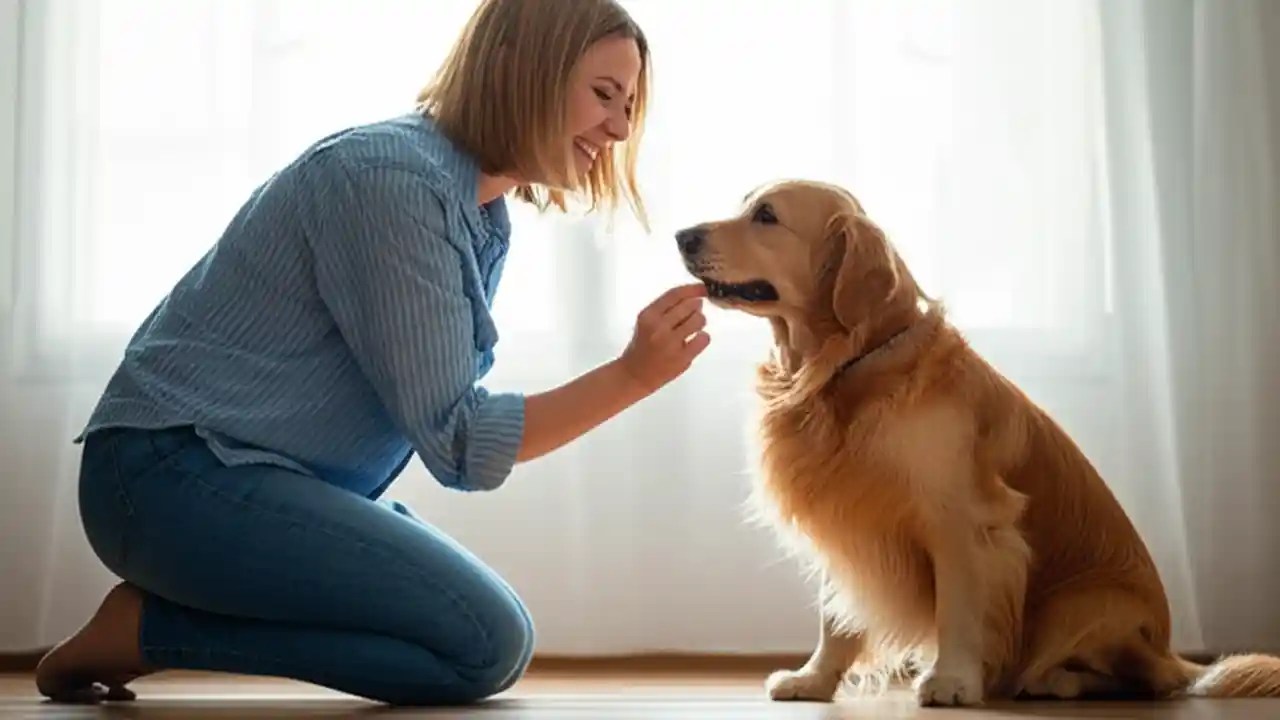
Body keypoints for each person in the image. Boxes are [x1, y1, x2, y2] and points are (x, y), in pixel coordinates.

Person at [35, 0, 710, 706]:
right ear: (522, 69)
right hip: (162, 479)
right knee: (487, 643)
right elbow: (459, 443)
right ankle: (146, 632)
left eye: (630, 105)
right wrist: (634, 375)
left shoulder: (476, 213)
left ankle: (147, 627)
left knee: (484, 642)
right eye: (605, 95)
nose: (623, 127)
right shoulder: (392, 182)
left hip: (235, 475)